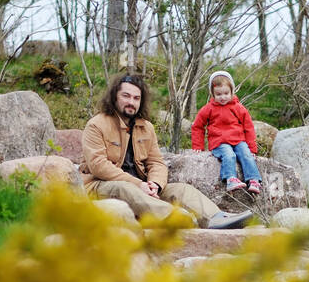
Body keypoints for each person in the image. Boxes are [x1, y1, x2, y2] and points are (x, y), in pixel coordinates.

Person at [80, 73, 252, 228]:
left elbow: (156, 162)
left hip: (143, 187)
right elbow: (98, 165)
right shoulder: (97, 124)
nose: (131, 102)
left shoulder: (146, 127)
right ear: (114, 97)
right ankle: (174, 217)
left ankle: (216, 218)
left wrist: (154, 184)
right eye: (126, 96)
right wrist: (138, 184)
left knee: (181, 189)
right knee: (124, 188)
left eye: (136, 98)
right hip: (102, 185)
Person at [191, 71, 262, 196]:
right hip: (219, 142)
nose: (222, 97)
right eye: (218, 94)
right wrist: (198, 146)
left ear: (232, 92)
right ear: (212, 94)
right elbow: (197, 126)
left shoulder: (238, 107)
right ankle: (230, 179)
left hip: (238, 140)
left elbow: (248, 127)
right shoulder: (208, 109)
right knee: (229, 155)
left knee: (246, 154)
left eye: (226, 93)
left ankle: (253, 180)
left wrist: (252, 147)